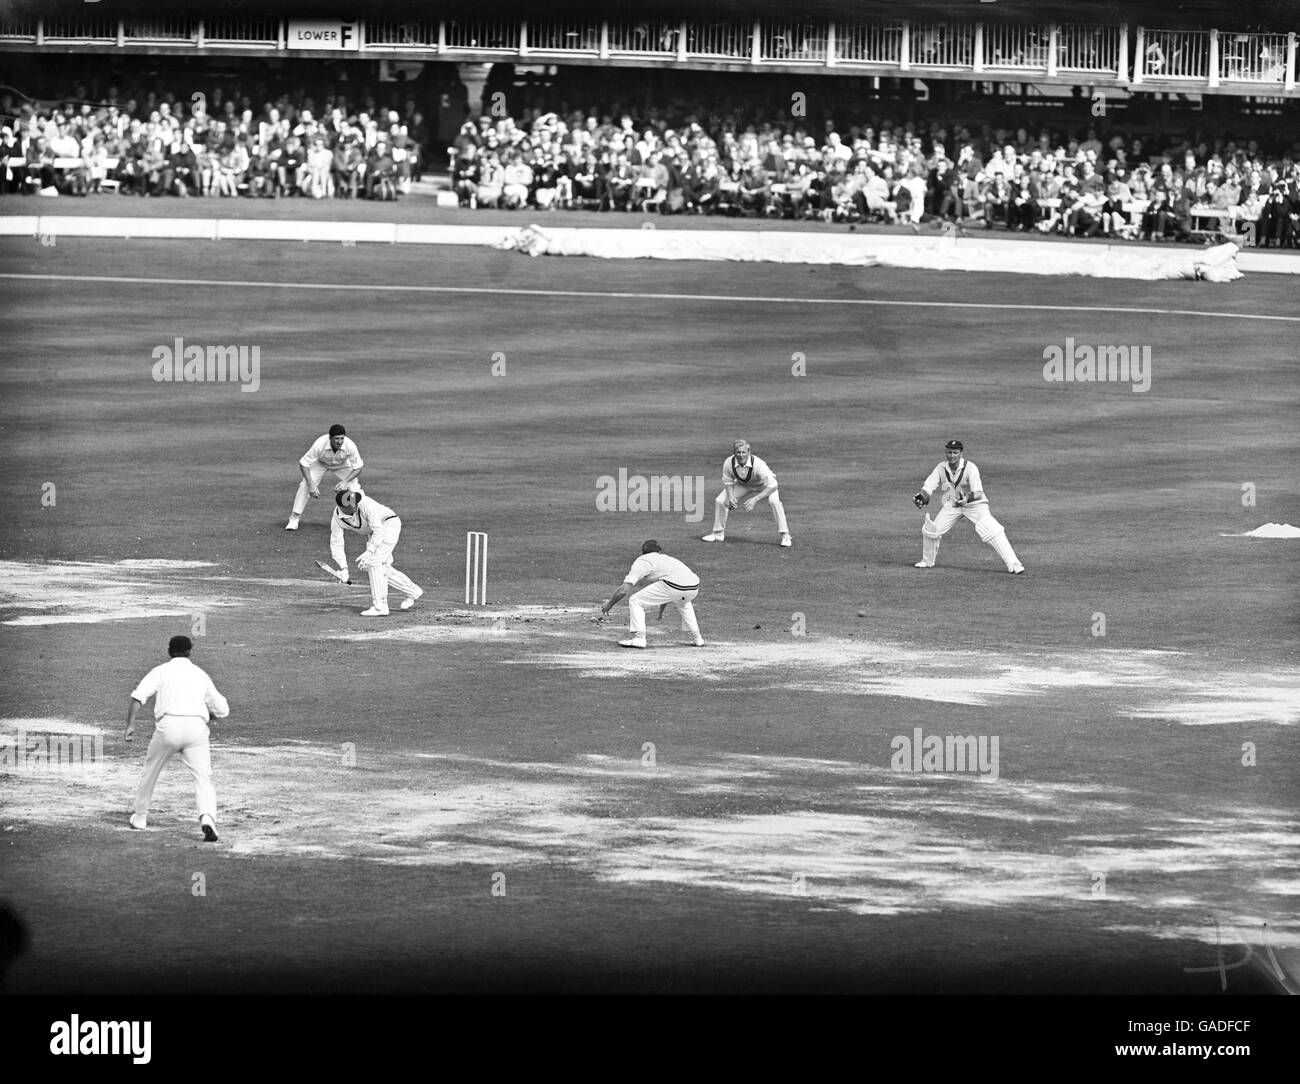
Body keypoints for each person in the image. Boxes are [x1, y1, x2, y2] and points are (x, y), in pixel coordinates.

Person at [125, 634, 229, 841]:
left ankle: (140, 817)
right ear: (190, 651)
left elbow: (138, 697)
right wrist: (208, 715)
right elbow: (223, 710)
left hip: (168, 727)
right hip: (196, 729)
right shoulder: (200, 674)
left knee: (150, 771)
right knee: (203, 777)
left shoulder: (160, 671)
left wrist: (130, 725)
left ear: (169, 651)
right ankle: (207, 817)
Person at [912, 440, 1024, 573]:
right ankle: (927, 561)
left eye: (955, 453)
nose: (952, 456)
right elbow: (929, 486)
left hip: (974, 504)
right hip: (953, 504)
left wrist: (966, 499)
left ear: (961, 453)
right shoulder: (940, 468)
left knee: (992, 529)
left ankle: (1015, 565)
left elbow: (978, 493)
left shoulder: (970, 468)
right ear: (945, 452)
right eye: (949, 452)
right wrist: (921, 498)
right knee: (931, 530)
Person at [329, 487, 422, 616]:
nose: (355, 505)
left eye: (355, 502)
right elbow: (336, 543)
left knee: (373, 563)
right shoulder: (337, 518)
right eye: (351, 504)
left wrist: (369, 552)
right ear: (342, 507)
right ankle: (413, 591)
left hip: (388, 525)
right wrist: (343, 568)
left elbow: (379, 530)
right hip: (374, 533)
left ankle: (380, 606)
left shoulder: (366, 504)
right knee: (382, 568)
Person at [599, 540, 704, 649]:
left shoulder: (643, 561)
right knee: (684, 603)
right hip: (693, 587)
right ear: (659, 551)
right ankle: (698, 638)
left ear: (643, 552)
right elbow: (668, 592)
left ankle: (639, 638)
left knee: (635, 600)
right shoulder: (668, 559)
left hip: (673, 586)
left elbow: (623, 590)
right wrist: (661, 611)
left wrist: (610, 604)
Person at [702, 439, 792, 547]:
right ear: (734, 453)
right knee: (720, 500)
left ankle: (785, 535)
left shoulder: (759, 465)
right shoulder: (728, 463)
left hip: (764, 485)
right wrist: (731, 497)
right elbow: (728, 481)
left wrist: (755, 499)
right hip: (743, 485)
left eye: (743, 452)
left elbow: (773, 485)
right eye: (738, 452)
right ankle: (718, 534)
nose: (741, 455)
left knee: (774, 502)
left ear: (749, 452)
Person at [285, 424, 364, 530]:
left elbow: (358, 467)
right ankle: (294, 518)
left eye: (342, 438)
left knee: (354, 487)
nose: (340, 442)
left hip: (342, 465)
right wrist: (311, 484)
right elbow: (303, 463)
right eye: (337, 439)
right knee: (305, 485)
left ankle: (355, 517)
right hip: (320, 463)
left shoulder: (350, 445)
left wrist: (345, 481)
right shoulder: (319, 444)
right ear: (330, 438)